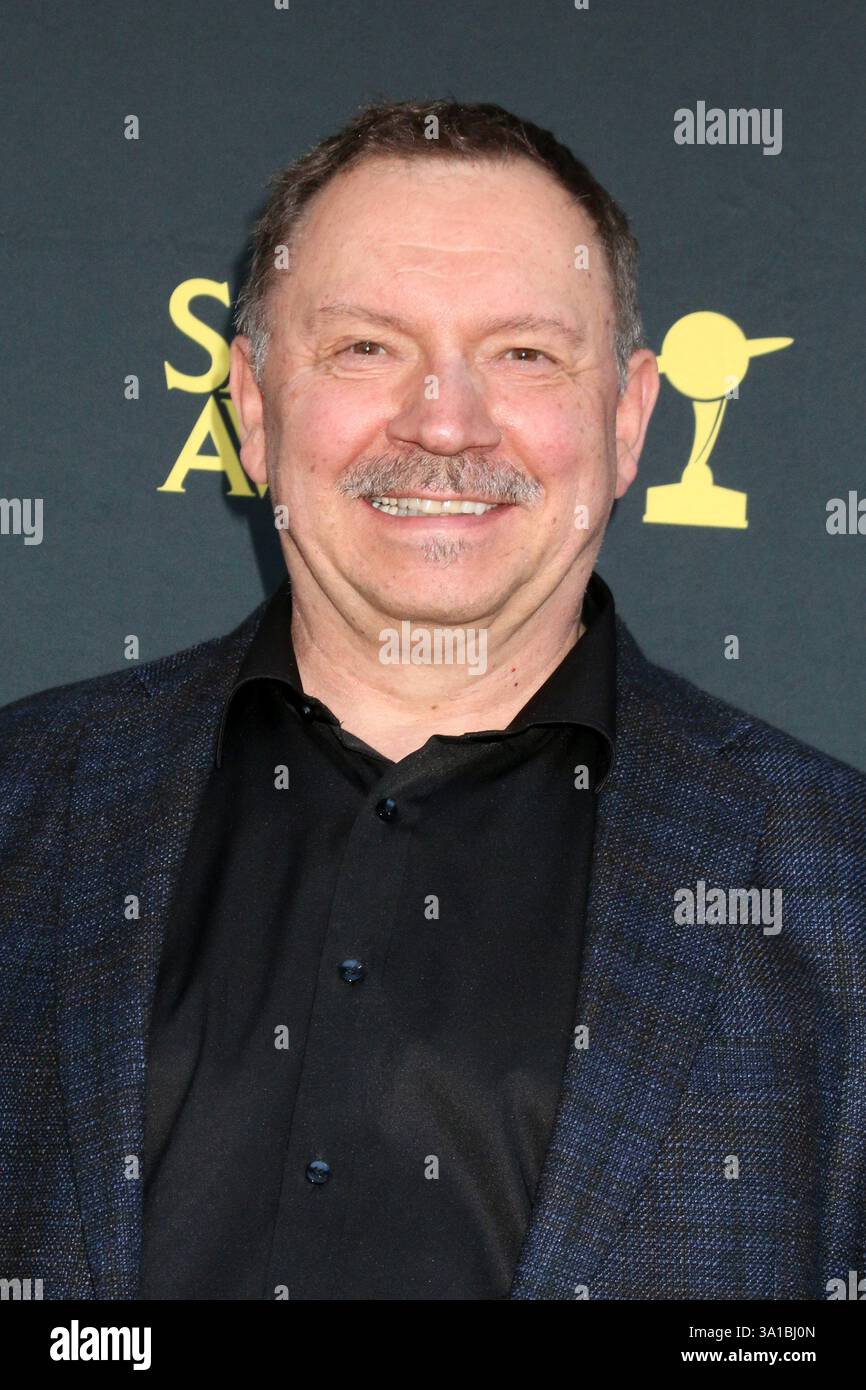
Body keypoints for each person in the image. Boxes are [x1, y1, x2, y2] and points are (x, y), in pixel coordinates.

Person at [1, 99, 863, 1302]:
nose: (444, 422)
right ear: (250, 408)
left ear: (625, 419)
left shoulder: (836, 886)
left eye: (521, 353)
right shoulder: (24, 806)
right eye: (364, 348)